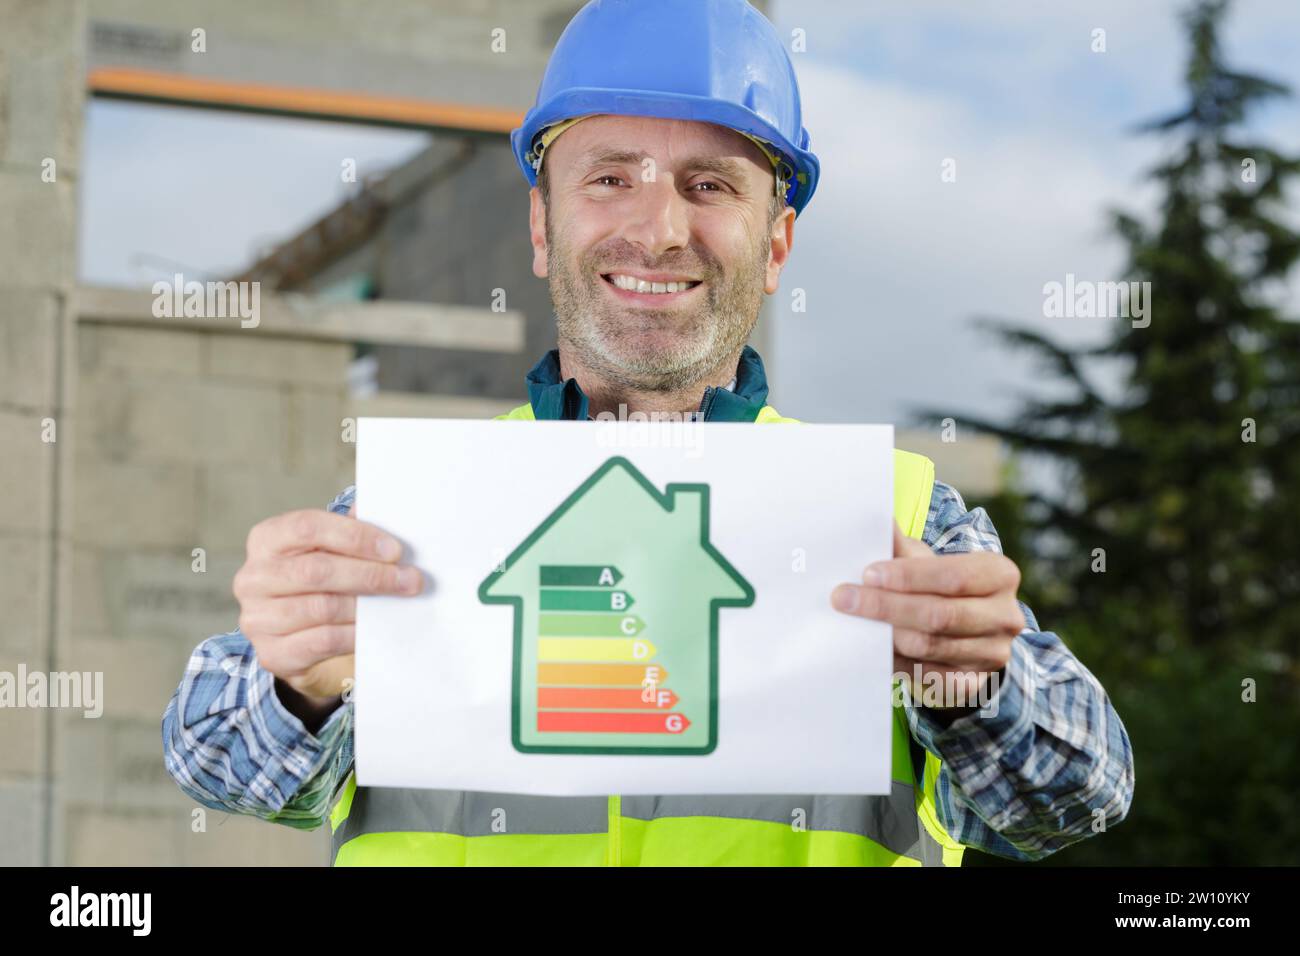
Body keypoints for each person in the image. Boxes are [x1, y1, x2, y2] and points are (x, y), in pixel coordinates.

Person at [163, 0, 1133, 866]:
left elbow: (1078, 794)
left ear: (776, 243)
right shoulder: (418, 510)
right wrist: (296, 684)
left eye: (709, 185)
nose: (659, 228)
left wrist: (974, 690)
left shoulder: (899, 517)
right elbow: (215, 760)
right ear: (541, 228)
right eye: (611, 178)